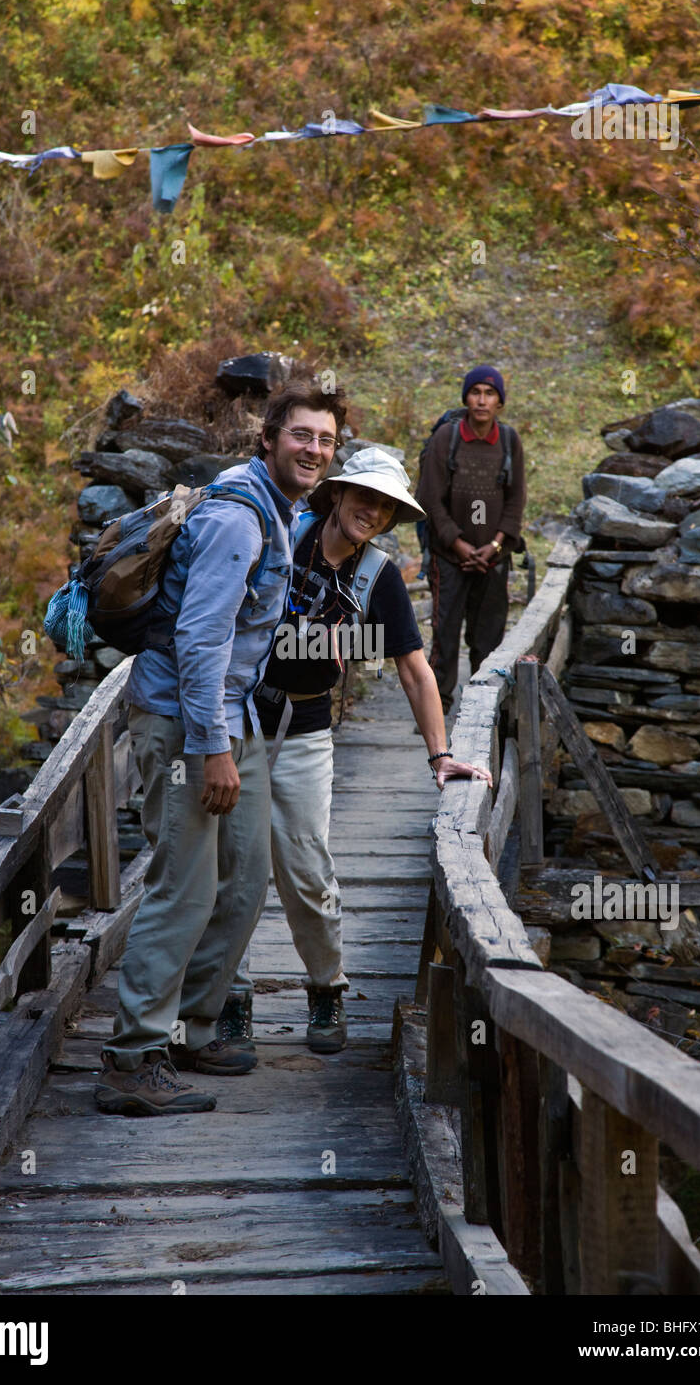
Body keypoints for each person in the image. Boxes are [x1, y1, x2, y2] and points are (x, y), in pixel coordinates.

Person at [94, 380, 346, 1116]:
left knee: (243, 879)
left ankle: (192, 1026)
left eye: (326, 440)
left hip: (232, 719)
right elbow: (202, 640)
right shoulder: (240, 518)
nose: (315, 449)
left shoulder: (281, 508)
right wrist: (213, 749)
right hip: (187, 724)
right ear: (268, 438)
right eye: (301, 434)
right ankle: (131, 1057)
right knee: (186, 885)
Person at [217, 448, 492, 1056]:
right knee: (236, 870)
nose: (371, 510)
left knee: (306, 866)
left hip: (308, 729)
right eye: (362, 496)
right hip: (239, 722)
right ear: (336, 494)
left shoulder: (377, 576)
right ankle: (228, 999)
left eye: (385, 505)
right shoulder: (279, 536)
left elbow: (416, 671)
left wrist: (439, 754)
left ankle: (326, 990)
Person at [416, 365, 526, 714]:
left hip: (493, 559)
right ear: (466, 398)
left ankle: (483, 708)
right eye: (475, 392)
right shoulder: (446, 440)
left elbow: (516, 499)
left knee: (488, 640)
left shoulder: (509, 442)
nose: (481, 400)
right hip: (449, 558)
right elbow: (430, 498)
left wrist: (494, 545)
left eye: (489, 393)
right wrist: (459, 544)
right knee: (444, 636)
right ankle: (437, 707)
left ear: (500, 402)